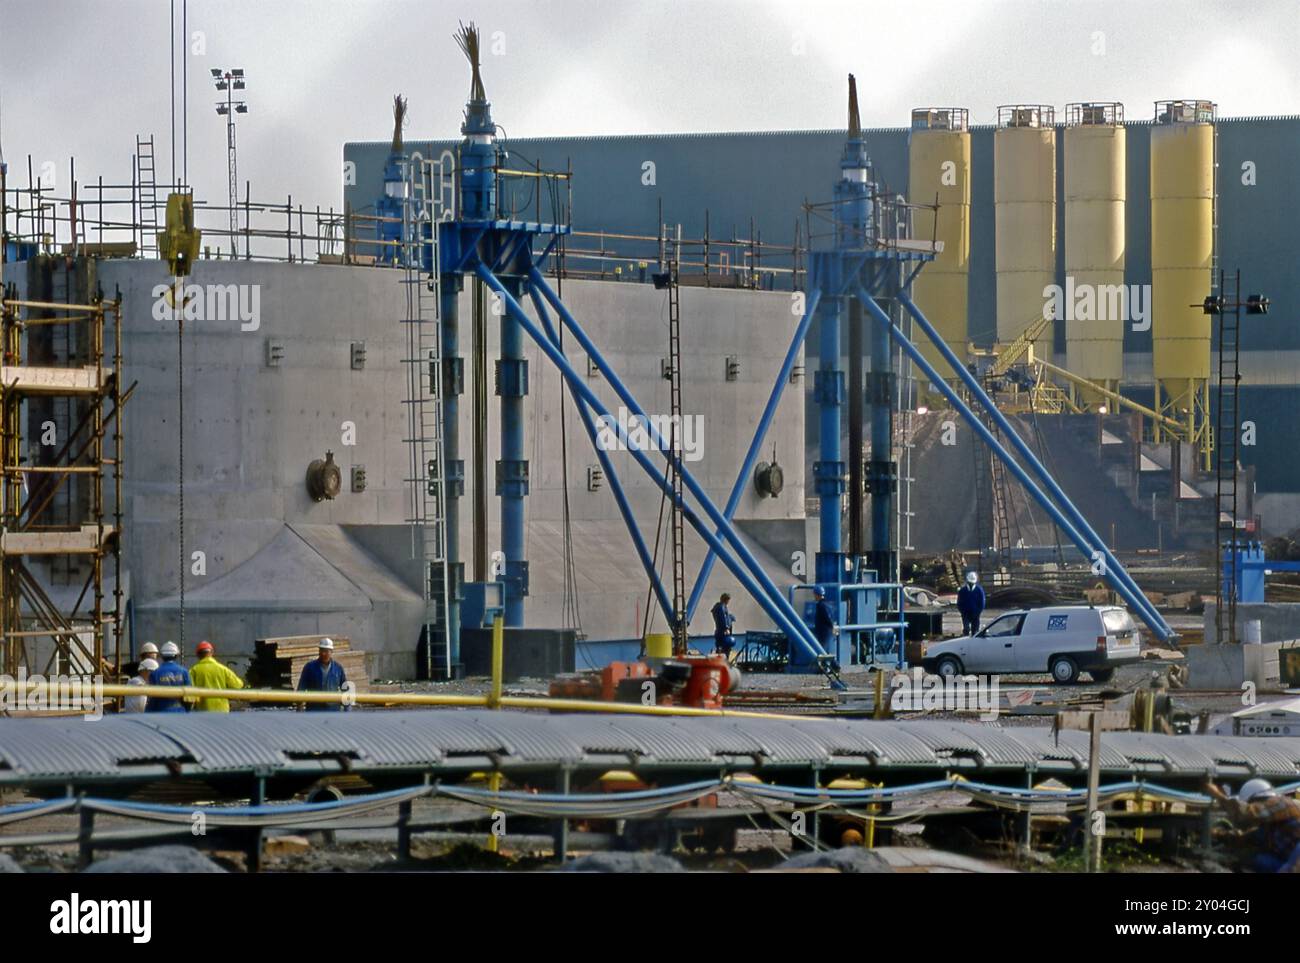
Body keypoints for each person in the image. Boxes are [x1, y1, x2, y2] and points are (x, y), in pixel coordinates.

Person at [1205, 778, 1300, 873]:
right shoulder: (1267, 826)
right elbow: (1244, 838)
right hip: (1288, 860)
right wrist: (1217, 834)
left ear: (1257, 799)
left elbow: (1245, 813)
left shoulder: (1282, 803)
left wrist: (1218, 795)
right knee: (1254, 858)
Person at [188, 640, 245, 712]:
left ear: (198, 655)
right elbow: (238, 685)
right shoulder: (222, 669)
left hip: (202, 711)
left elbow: (190, 691)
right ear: (212, 652)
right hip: (222, 711)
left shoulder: (193, 670)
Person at [297, 638, 348, 712]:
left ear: (331, 652)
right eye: (322, 650)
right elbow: (301, 688)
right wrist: (299, 706)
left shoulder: (338, 668)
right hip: (314, 709)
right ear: (319, 651)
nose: (324, 653)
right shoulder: (309, 667)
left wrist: (347, 709)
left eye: (327, 651)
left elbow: (345, 689)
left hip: (333, 709)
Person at [146, 641, 191, 712]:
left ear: (162, 656)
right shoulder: (184, 672)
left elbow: (152, 698)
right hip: (180, 712)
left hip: (161, 712)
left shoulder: (155, 673)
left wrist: (148, 711)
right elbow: (189, 696)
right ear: (176, 655)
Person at [956, 571, 986, 636]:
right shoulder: (962, 591)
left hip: (975, 614)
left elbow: (982, 603)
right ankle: (965, 639)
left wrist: (978, 612)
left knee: (975, 631)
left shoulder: (979, 590)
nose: (971, 584)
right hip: (965, 614)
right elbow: (959, 603)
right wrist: (962, 611)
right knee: (966, 629)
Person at [711, 593, 736, 658]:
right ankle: (724, 659)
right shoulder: (722, 607)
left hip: (718, 630)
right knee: (726, 647)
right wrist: (726, 628)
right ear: (726, 600)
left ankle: (720, 657)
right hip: (723, 631)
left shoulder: (717, 607)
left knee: (719, 645)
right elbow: (723, 618)